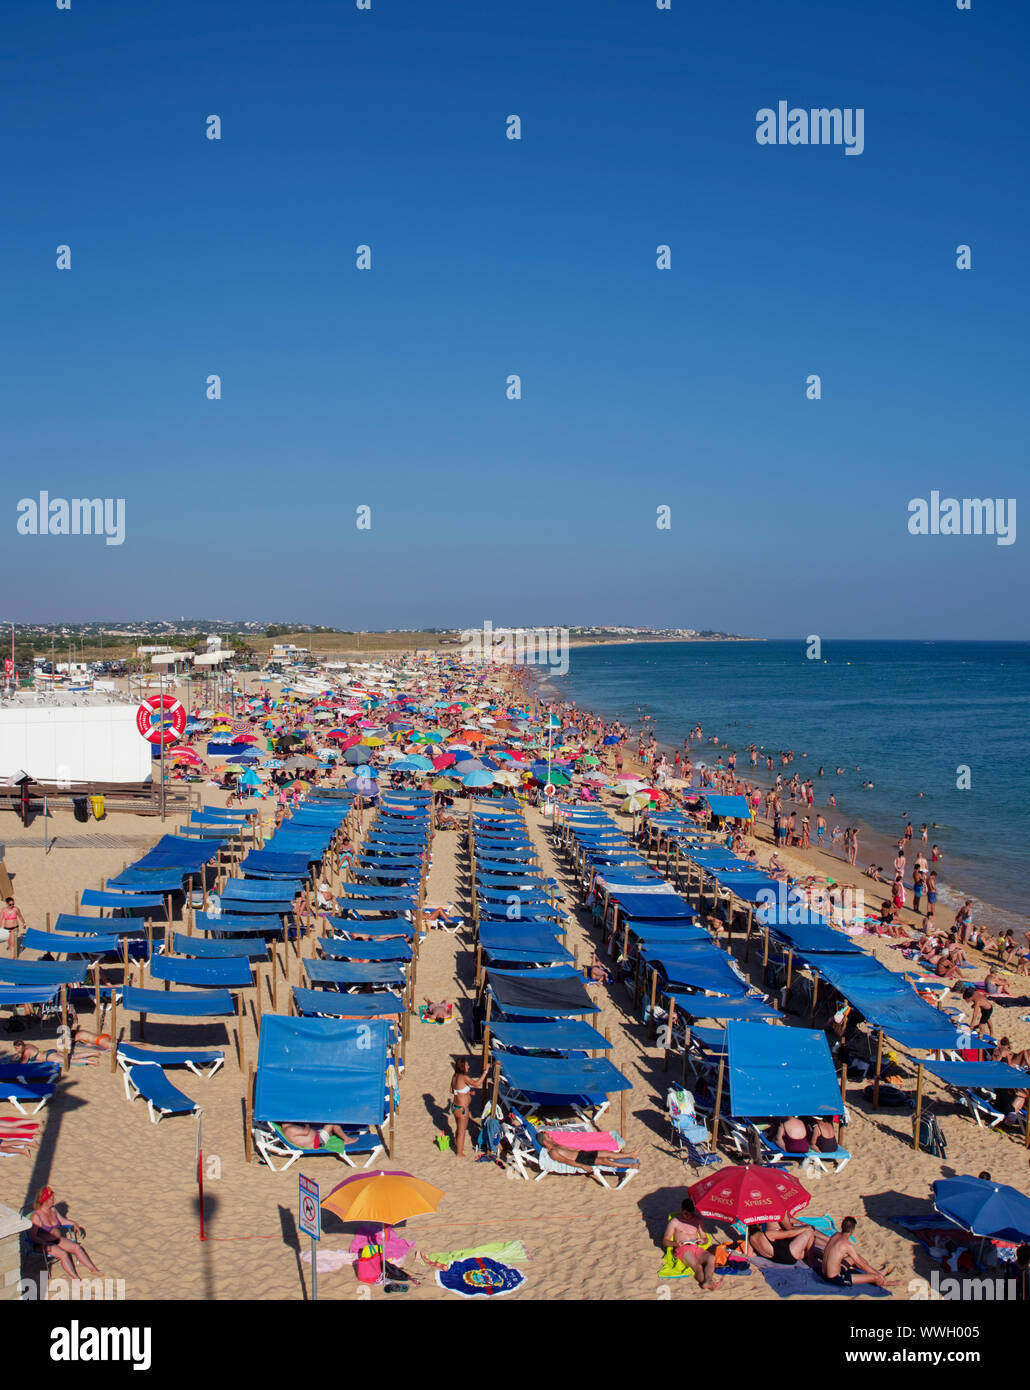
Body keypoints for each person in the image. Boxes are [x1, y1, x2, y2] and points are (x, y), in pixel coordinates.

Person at [29, 1186, 102, 1282]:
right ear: (45, 1200)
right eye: (51, 1198)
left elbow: (62, 1221)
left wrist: (73, 1223)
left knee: (76, 1247)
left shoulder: (53, 1210)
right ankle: (76, 1279)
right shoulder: (36, 1216)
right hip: (41, 1244)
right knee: (63, 1254)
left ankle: (93, 1269)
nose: (53, 1199)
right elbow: (33, 1236)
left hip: (55, 1240)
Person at [661, 1198, 721, 1290]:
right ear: (681, 1210)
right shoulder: (675, 1222)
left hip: (695, 1246)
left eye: (691, 1213)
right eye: (686, 1213)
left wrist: (702, 1241)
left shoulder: (697, 1220)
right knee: (697, 1266)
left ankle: (708, 1281)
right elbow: (665, 1241)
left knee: (711, 1258)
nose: (688, 1216)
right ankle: (704, 1282)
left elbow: (705, 1238)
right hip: (682, 1248)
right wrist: (675, 1244)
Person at [820, 1216, 895, 1288]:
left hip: (824, 1272)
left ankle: (878, 1273)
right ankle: (884, 1282)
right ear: (852, 1231)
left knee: (854, 1258)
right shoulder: (847, 1245)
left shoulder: (835, 1235)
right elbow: (862, 1265)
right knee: (876, 1277)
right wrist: (877, 1275)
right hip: (835, 1278)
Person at [448, 1058, 489, 1157]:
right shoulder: (464, 1077)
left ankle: (458, 1148)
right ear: (462, 1067)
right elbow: (477, 1084)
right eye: (467, 1065)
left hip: (455, 1107)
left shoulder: (455, 1076)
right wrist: (486, 1072)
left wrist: (467, 1092)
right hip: (462, 1109)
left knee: (459, 1129)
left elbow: (452, 1090)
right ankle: (459, 1153)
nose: (468, 1067)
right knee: (462, 1131)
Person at [539, 1131, 639, 1171]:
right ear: (544, 1141)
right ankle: (629, 1165)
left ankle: (631, 1155)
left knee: (608, 1153)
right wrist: (583, 1166)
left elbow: (571, 1149)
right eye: (548, 1136)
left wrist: (582, 1149)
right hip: (581, 1159)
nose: (550, 1136)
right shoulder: (552, 1152)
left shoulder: (556, 1144)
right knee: (605, 1161)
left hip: (582, 1153)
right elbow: (567, 1161)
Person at [750, 1220, 818, 1265]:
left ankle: (818, 1255)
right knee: (809, 1232)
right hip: (790, 1256)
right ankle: (811, 1261)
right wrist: (805, 1228)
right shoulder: (768, 1234)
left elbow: (751, 1254)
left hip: (777, 1259)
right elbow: (788, 1234)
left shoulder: (750, 1239)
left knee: (809, 1251)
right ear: (759, 1224)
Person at [279, 1122, 363, 1153]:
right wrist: (306, 1123)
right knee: (332, 1123)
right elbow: (306, 1132)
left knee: (330, 1129)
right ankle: (347, 1140)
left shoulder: (287, 1128)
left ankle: (346, 1135)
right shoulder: (290, 1129)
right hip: (318, 1141)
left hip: (317, 1136)